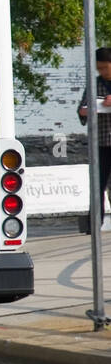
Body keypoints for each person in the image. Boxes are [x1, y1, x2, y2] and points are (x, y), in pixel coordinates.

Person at [77, 47, 111, 231]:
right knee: (98, 184)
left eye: (105, 67)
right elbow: (82, 109)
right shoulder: (94, 84)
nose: (103, 72)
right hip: (101, 143)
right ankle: (94, 224)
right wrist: (86, 110)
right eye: (99, 68)